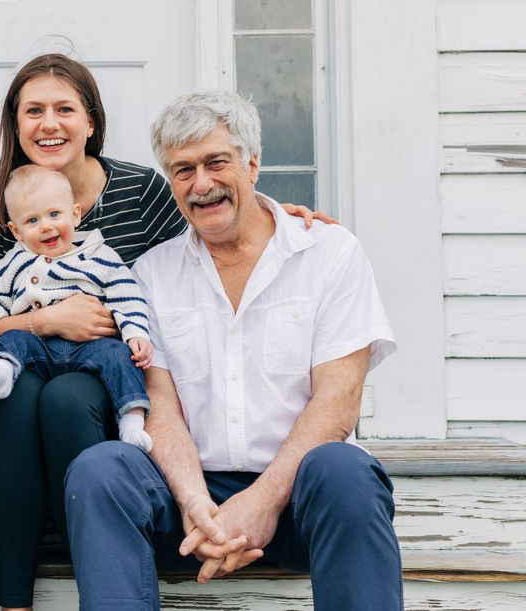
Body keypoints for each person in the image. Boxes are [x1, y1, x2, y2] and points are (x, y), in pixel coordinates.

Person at [0, 54, 327, 611]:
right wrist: (46, 320)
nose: (49, 123)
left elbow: (206, 239)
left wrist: (273, 217)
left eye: (64, 109)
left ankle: (93, 552)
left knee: (66, 399)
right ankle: (15, 597)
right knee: (10, 395)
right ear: (15, 123)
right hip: (26, 345)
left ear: (91, 120)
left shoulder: (140, 190)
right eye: (33, 111)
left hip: (111, 365)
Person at [64, 90, 402, 610]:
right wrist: (195, 502)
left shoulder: (330, 254)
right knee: (99, 469)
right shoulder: (152, 274)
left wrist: (262, 502)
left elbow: (338, 403)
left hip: (299, 495)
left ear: (252, 164)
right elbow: (160, 405)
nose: (201, 184)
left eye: (216, 162)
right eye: (183, 170)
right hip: (189, 503)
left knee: (345, 471)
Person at [0, 165, 154, 452]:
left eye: (54, 214)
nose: (46, 226)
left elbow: (127, 297)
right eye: (32, 220)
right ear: (16, 231)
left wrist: (136, 333)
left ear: (74, 214)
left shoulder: (100, 256)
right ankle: (3, 370)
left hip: (90, 347)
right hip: (39, 346)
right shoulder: (15, 261)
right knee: (13, 339)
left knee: (120, 356)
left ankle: (132, 418)